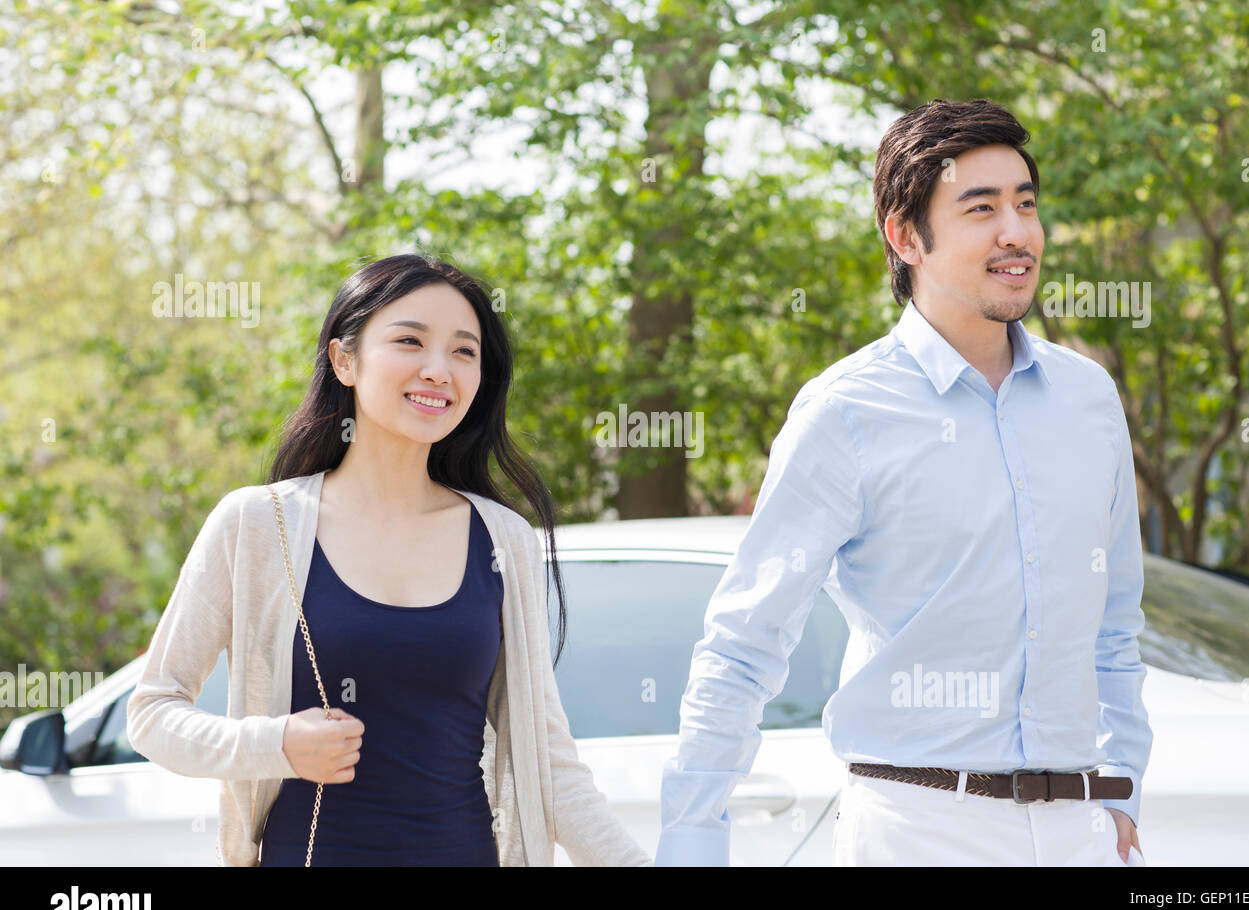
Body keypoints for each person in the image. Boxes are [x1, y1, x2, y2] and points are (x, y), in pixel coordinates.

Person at [655, 99, 1152, 867]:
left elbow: (1115, 621)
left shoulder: (1088, 399)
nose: (1016, 232)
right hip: (919, 826)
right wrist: (691, 840)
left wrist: (1123, 788)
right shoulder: (846, 412)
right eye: (980, 209)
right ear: (905, 235)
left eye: (1025, 204)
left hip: (1080, 828)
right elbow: (746, 640)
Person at [127, 253, 651, 867]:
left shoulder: (503, 540)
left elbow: (549, 763)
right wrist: (278, 743)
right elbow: (153, 712)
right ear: (344, 360)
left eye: (464, 351)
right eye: (409, 341)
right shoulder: (256, 525)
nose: (438, 370)